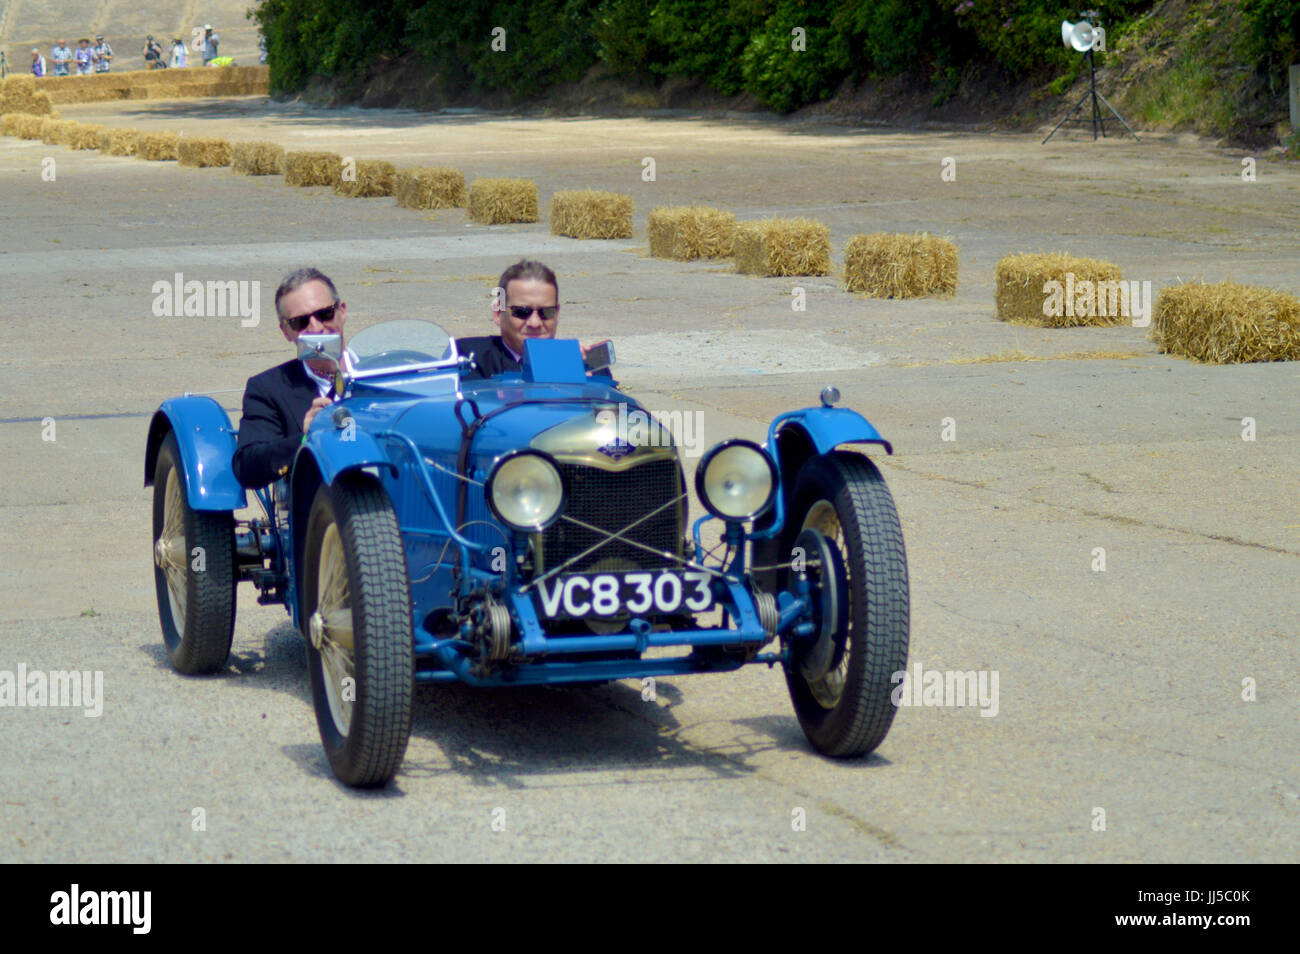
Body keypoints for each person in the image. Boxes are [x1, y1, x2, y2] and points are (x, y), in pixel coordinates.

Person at [232, 268, 348, 488]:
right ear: (286, 332)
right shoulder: (268, 389)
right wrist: (305, 438)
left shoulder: (386, 371)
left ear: (341, 311)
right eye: (300, 322)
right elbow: (247, 467)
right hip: (321, 511)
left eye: (325, 314)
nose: (316, 328)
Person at [456, 260, 566, 380]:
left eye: (546, 312)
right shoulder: (468, 358)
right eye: (522, 311)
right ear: (498, 313)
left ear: (557, 314)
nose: (535, 323)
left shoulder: (574, 362)